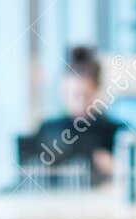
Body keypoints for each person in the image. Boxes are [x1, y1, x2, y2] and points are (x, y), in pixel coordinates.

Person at [34, 45, 122, 180]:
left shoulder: (116, 131)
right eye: (75, 95)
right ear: (63, 93)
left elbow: (133, 172)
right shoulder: (48, 129)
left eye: (86, 95)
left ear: (97, 92)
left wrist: (115, 167)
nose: (80, 103)